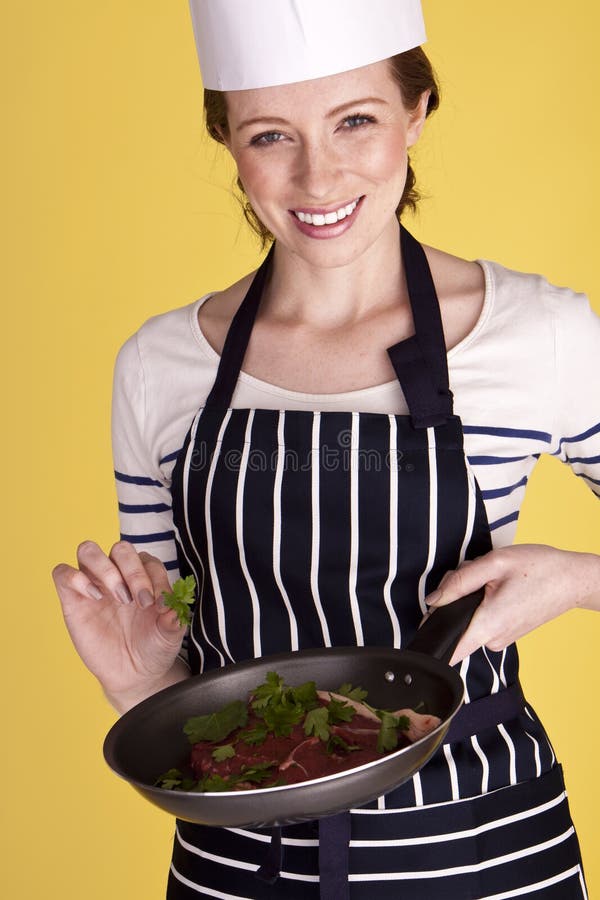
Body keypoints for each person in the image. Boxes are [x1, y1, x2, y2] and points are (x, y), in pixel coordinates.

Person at [52, 1, 600, 897]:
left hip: (481, 845)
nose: (318, 176)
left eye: (357, 120)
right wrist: (143, 681)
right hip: (239, 857)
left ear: (416, 112)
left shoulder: (539, 334)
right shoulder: (160, 365)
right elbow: (181, 692)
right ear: (226, 137)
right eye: (271, 135)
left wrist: (577, 580)